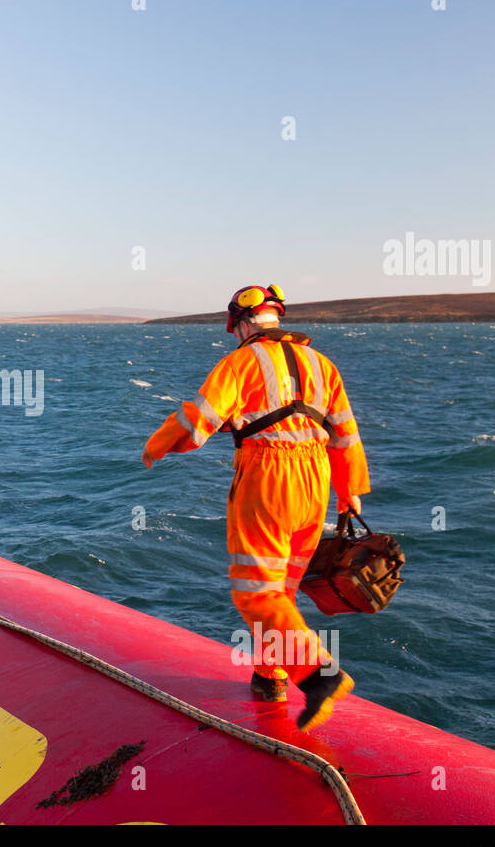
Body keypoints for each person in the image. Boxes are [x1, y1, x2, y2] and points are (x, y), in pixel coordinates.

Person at [141, 284, 369, 731]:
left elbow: (198, 419)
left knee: (255, 592)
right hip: (316, 484)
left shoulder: (240, 361)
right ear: (276, 318)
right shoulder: (324, 365)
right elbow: (346, 434)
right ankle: (271, 678)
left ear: (243, 324)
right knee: (282, 589)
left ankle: (321, 675)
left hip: (268, 480)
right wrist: (349, 491)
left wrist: (157, 446)